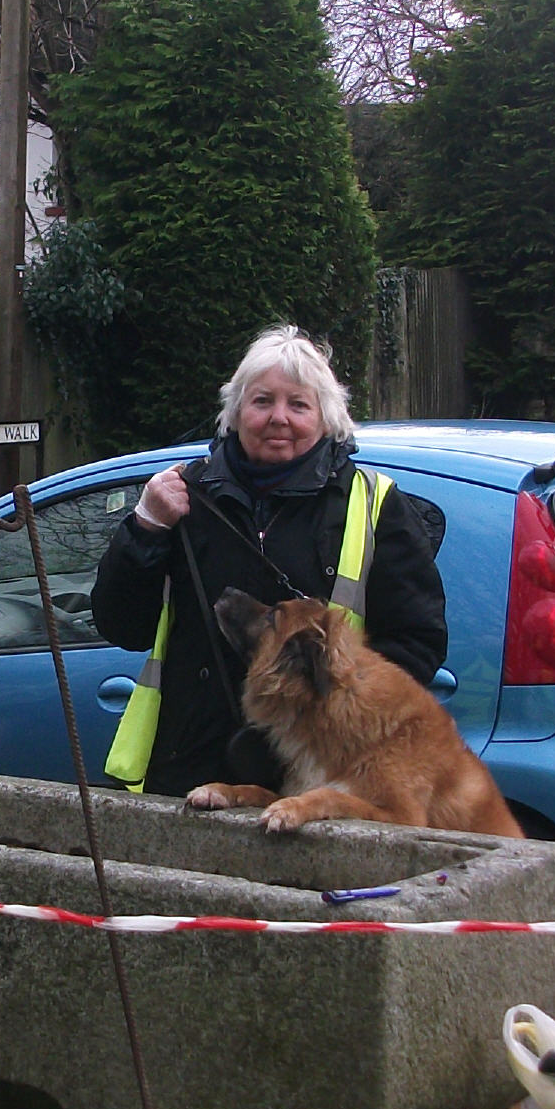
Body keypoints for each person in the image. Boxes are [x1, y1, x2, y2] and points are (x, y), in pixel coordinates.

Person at [92, 323, 447, 797]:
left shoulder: (374, 506)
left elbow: (417, 646)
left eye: (298, 404)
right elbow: (122, 626)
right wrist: (144, 529)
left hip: (319, 778)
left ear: (327, 418)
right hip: (188, 776)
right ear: (235, 412)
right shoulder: (182, 497)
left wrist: (326, 700)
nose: (279, 417)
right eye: (262, 401)